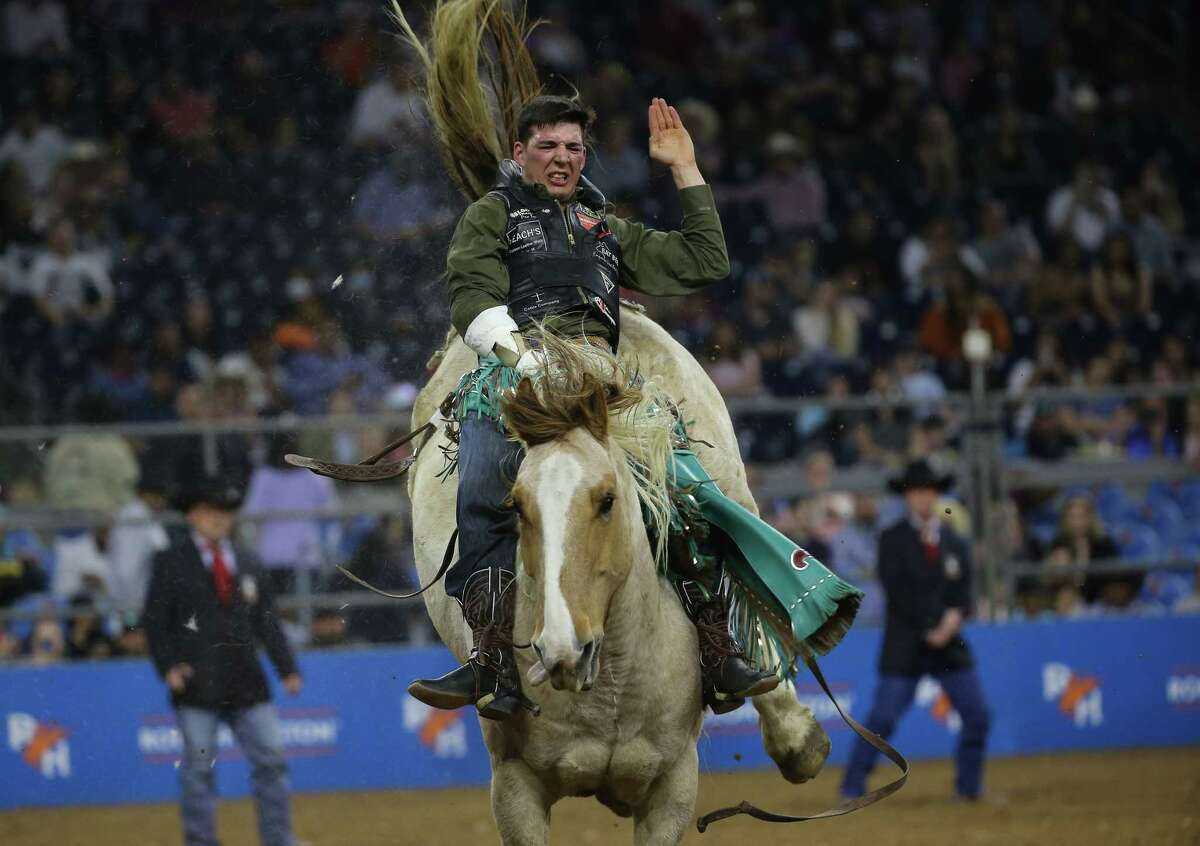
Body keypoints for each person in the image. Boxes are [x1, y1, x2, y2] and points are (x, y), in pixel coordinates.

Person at [406, 93, 778, 720]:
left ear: (586, 157)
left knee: (684, 490)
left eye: (574, 148)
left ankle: (718, 653)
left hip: (604, 386)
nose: (562, 158)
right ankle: (492, 660)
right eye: (547, 146)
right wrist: (525, 361)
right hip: (513, 378)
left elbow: (705, 261)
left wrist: (685, 169)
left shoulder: (605, 226)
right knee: (480, 484)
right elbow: (470, 297)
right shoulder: (490, 214)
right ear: (519, 153)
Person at [142, 475, 302, 846]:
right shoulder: (170, 562)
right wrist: (168, 666)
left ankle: (278, 839)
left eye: (224, 512)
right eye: (210, 511)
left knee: (271, 763)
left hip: (246, 681)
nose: (218, 518)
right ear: (193, 516)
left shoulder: (247, 559)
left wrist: (288, 668)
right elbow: (155, 622)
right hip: (198, 683)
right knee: (199, 771)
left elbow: (267, 621)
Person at [841, 459, 991, 801]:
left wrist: (952, 620)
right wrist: (935, 626)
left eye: (928, 491)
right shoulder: (892, 539)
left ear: (936, 495)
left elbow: (963, 591)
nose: (923, 498)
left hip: (946, 641)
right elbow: (897, 590)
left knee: (977, 714)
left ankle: (968, 790)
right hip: (906, 643)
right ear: (907, 496)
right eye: (916, 491)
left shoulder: (955, 542)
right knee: (883, 719)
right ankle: (852, 785)